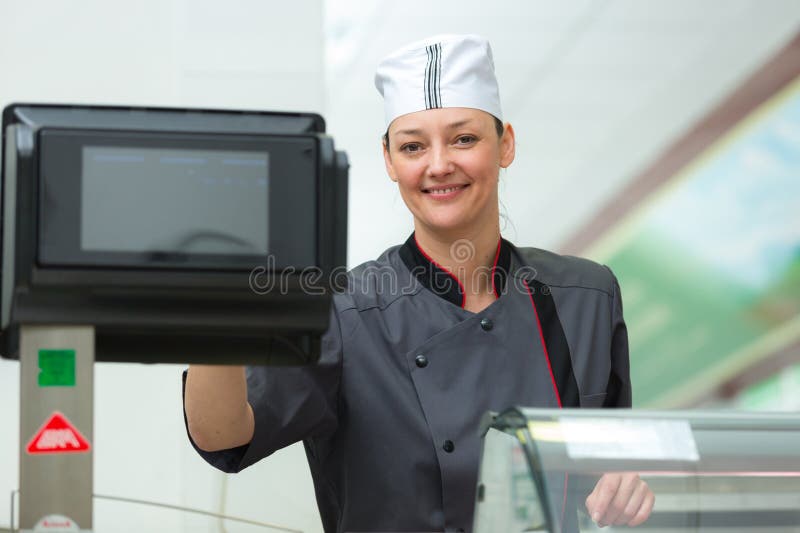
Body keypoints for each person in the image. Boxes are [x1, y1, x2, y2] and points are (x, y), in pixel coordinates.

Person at [183, 34, 654, 533]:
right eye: (412, 146)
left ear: (506, 144)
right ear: (389, 160)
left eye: (464, 139)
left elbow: (609, 473)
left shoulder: (585, 296)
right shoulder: (345, 312)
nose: (438, 164)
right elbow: (223, 436)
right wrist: (221, 307)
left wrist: (629, 483)